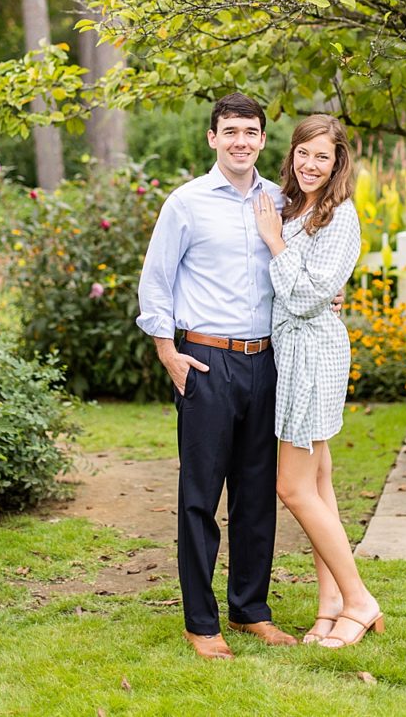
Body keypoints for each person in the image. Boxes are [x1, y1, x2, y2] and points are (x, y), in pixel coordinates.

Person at [137, 92, 299, 659]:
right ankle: (200, 623)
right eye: (230, 131)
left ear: (261, 140)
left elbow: (297, 268)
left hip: (265, 360)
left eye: (250, 132)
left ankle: (251, 610)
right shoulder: (185, 203)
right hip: (205, 362)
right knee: (200, 498)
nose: (241, 141)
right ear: (212, 138)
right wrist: (168, 352)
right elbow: (156, 282)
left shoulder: (279, 201)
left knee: (256, 495)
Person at [251, 113, 383, 649]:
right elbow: (304, 290)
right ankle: (330, 601)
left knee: (293, 486)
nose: (310, 164)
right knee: (320, 482)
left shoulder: (339, 216)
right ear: (293, 155)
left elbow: (306, 300)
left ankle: (359, 599)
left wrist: (275, 244)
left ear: (337, 163)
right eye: (303, 153)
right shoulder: (292, 207)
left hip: (313, 356)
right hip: (294, 350)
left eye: (322, 156)